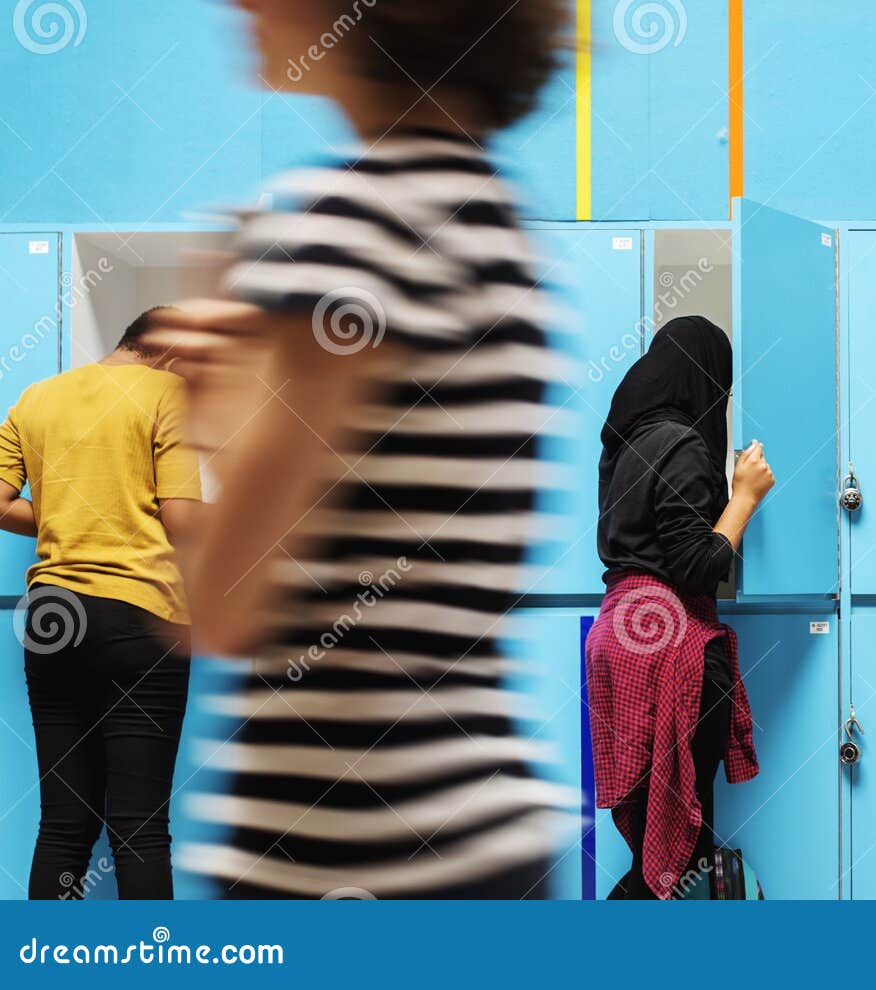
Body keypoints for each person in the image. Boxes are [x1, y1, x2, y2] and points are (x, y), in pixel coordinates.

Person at [147, 0, 572, 898]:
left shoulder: (353, 224)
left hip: (350, 855)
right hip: (479, 837)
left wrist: (209, 401)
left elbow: (219, 607)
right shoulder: (488, 214)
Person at [0, 307, 202, 899]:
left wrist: (66, 516)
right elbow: (183, 520)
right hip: (139, 614)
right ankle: (150, 956)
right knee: (140, 829)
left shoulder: (38, 397)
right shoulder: (167, 393)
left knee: (62, 826)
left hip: (52, 617)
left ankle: (40, 953)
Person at [586, 315, 773, 899]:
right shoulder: (683, 444)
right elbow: (695, 565)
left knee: (657, 847)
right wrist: (743, 497)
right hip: (672, 647)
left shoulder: (625, 448)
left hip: (620, 638)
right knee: (681, 847)